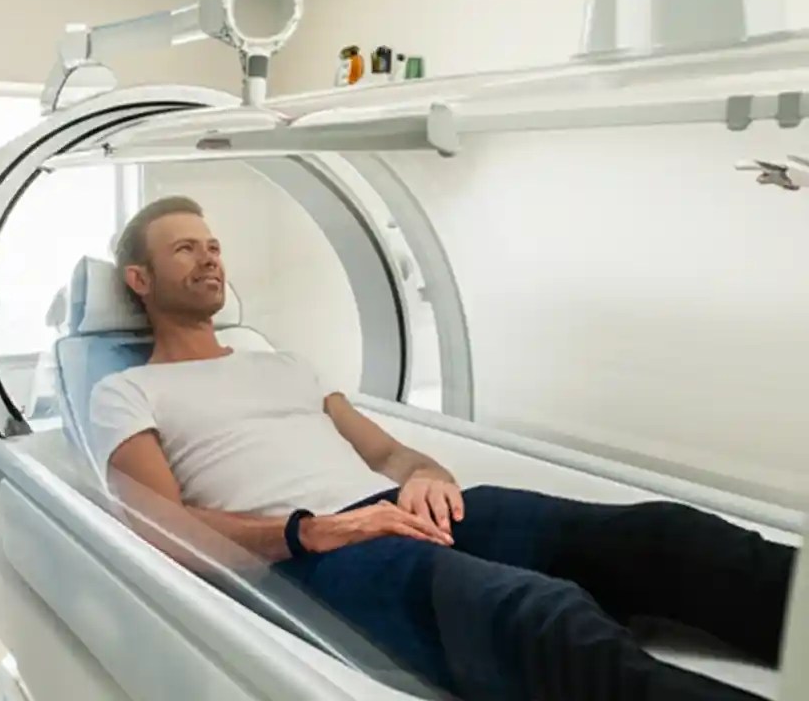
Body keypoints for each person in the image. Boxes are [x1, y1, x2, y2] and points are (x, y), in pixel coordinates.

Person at [88, 195, 797, 701]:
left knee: (662, 535)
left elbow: (393, 456)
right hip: (315, 553)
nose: (210, 259)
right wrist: (311, 531)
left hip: (402, 508)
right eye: (185, 249)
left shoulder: (283, 365)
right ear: (139, 280)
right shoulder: (127, 391)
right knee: (541, 616)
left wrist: (427, 474)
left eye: (213, 246)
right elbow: (164, 529)